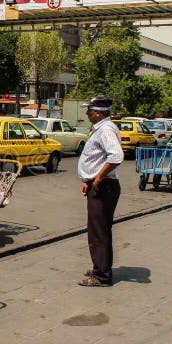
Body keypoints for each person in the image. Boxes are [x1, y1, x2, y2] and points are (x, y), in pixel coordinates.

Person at [77, 95, 124, 287]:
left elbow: (116, 156)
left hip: (103, 187)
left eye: (89, 110)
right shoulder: (102, 128)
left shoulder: (105, 129)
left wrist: (97, 178)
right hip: (100, 185)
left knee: (98, 232)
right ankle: (100, 266)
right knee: (100, 230)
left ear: (97, 112)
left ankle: (102, 275)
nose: (87, 113)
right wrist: (89, 180)